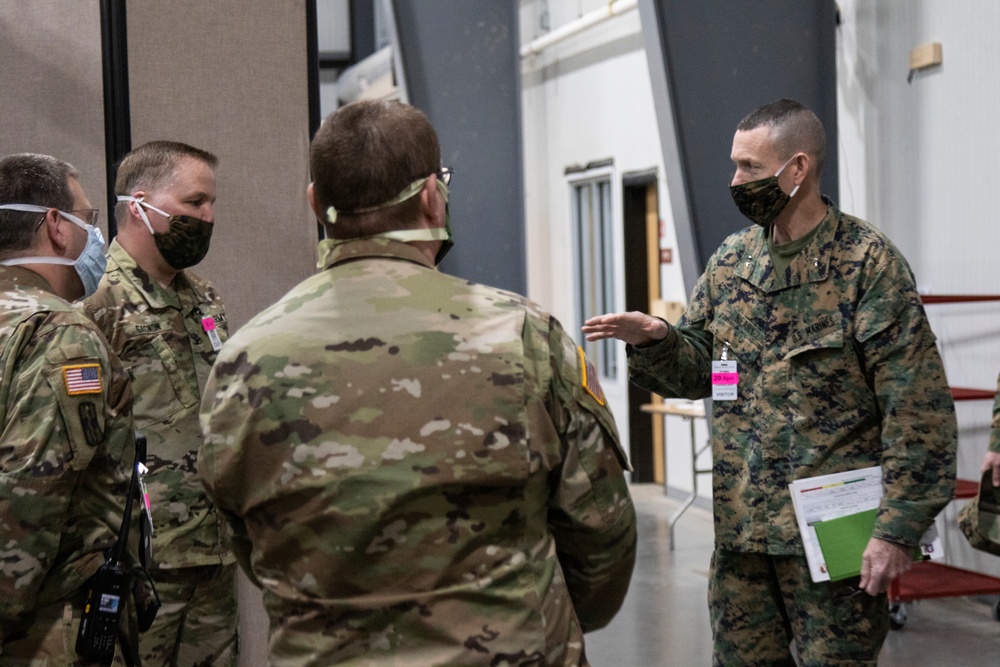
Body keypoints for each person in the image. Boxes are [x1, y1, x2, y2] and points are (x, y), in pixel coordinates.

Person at [198, 99, 637, 666]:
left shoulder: (243, 359)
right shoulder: (523, 335)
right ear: (433, 196)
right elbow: (599, 530)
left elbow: (247, 540)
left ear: (315, 203)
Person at [583, 99, 958, 666]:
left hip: (836, 537)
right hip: (743, 539)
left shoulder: (866, 264)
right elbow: (701, 367)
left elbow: (917, 409)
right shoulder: (733, 262)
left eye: (750, 168)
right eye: (735, 166)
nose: (736, 181)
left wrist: (897, 529)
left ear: (798, 168)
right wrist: (658, 339)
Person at [83, 141, 237, 666]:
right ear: (141, 204)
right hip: (141, 559)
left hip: (212, 549)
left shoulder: (204, 296)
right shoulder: (97, 301)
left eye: (212, 204)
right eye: (195, 203)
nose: (208, 217)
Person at [0, 153, 138, 664]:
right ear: (56, 226)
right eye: (90, 219)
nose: (97, 238)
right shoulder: (60, 335)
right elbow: (27, 502)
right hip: (40, 634)